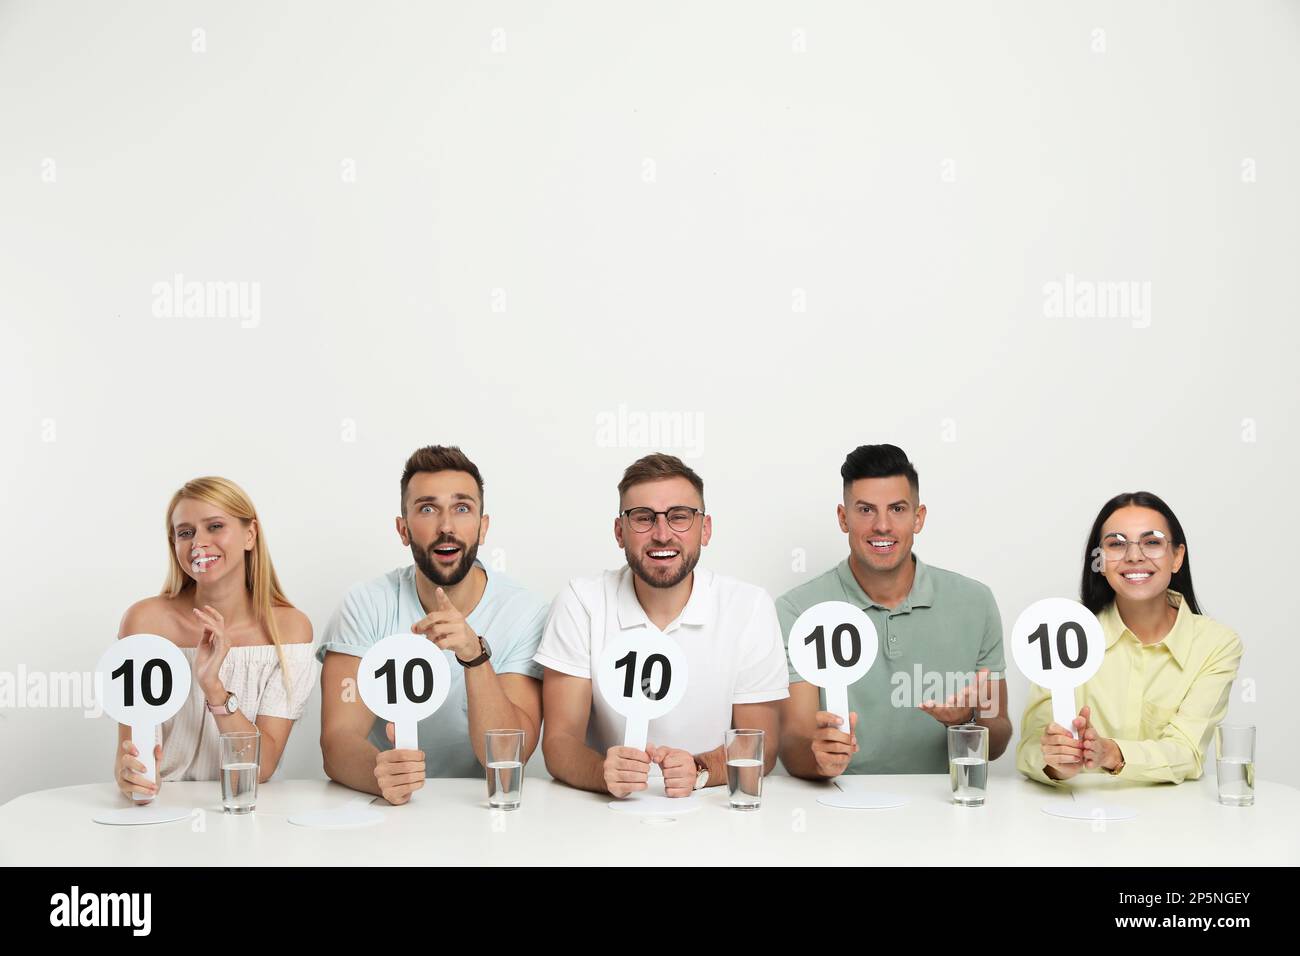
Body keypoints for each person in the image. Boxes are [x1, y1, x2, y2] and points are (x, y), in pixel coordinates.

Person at [536, 453, 789, 798]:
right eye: (642, 518)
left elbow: (761, 746)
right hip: (605, 816)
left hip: (711, 811)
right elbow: (559, 743)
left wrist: (699, 769)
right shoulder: (581, 602)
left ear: (706, 529)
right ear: (619, 531)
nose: (661, 534)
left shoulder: (749, 607)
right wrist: (603, 774)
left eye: (679, 517)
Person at [318, 445, 547, 805]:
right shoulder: (364, 603)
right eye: (427, 509)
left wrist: (474, 656)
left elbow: (506, 760)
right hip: (388, 812)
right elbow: (338, 741)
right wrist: (379, 774)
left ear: (483, 527)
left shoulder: (524, 611)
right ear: (403, 528)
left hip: (479, 809)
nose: (446, 527)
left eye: (462, 508)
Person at [778, 444, 1011, 778]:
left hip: (943, 807)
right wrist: (820, 758)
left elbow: (999, 734)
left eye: (898, 509)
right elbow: (793, 741)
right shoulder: (797, 609)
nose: (882, 526)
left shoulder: (976, 602)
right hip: (838, 809)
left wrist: (966, 720)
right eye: (866, 510)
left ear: (919, 518)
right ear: (844, 518)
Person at [1017, 491, 1243, 784]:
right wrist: (1056, 762)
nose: (1134, 555)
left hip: (1176, 822)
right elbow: (1029, 749)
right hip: (1075, 815)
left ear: (1177, 557)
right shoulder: (1064, 631)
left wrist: (1110, 753)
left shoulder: (1216, 644)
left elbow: (1186, 751)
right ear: (1099, 560)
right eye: (1116, 544)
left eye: (1152, 542)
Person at [114, 476, 315, 800]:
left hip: (245, 807)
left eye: (215, 526)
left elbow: (260, 767)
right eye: (186, 532)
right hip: (162, 808)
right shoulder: (145, 623)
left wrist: (214, 687)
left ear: (250, 534)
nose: (198, 543)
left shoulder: (289, 630)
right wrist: (130, 777)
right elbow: (133, 756)